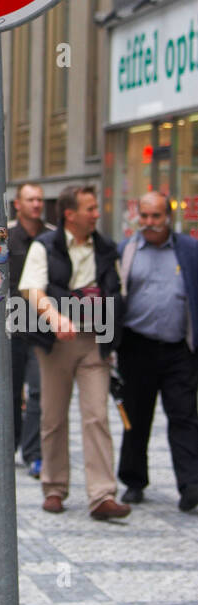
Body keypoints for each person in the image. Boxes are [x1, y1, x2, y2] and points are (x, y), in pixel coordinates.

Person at [19, 184, 130, 521]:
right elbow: (31, 290)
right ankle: (54, 487)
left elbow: (118, 293)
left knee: (97, 415)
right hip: (55, 343)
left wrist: (111, 336)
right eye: (91, 208)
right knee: (53, 416)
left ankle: (102, 495)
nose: (97, 214)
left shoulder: (107, 248)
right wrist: (55, 318)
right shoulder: (44, 246)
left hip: (94, 341)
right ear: (70, 214)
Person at [116, 192, 198, 513]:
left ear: (169, 217)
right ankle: (134, 482)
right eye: (145, 216)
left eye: (156, 217)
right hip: (136, 347)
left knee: (184, 417)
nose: (149, 223)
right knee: (135, 417)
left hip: (179, 348)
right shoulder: (127, 251)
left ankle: (191, 484)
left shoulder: (189, 251)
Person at [8, 183, 52, 478]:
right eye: (30, 199)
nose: (36, 204)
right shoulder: (5, 237)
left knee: (38, 392)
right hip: (10, 327)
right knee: (9, 392)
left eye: (39, 199)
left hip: (42, 328)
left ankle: (34, 452)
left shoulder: (52, 238)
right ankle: (7, 446)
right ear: (17, 204)